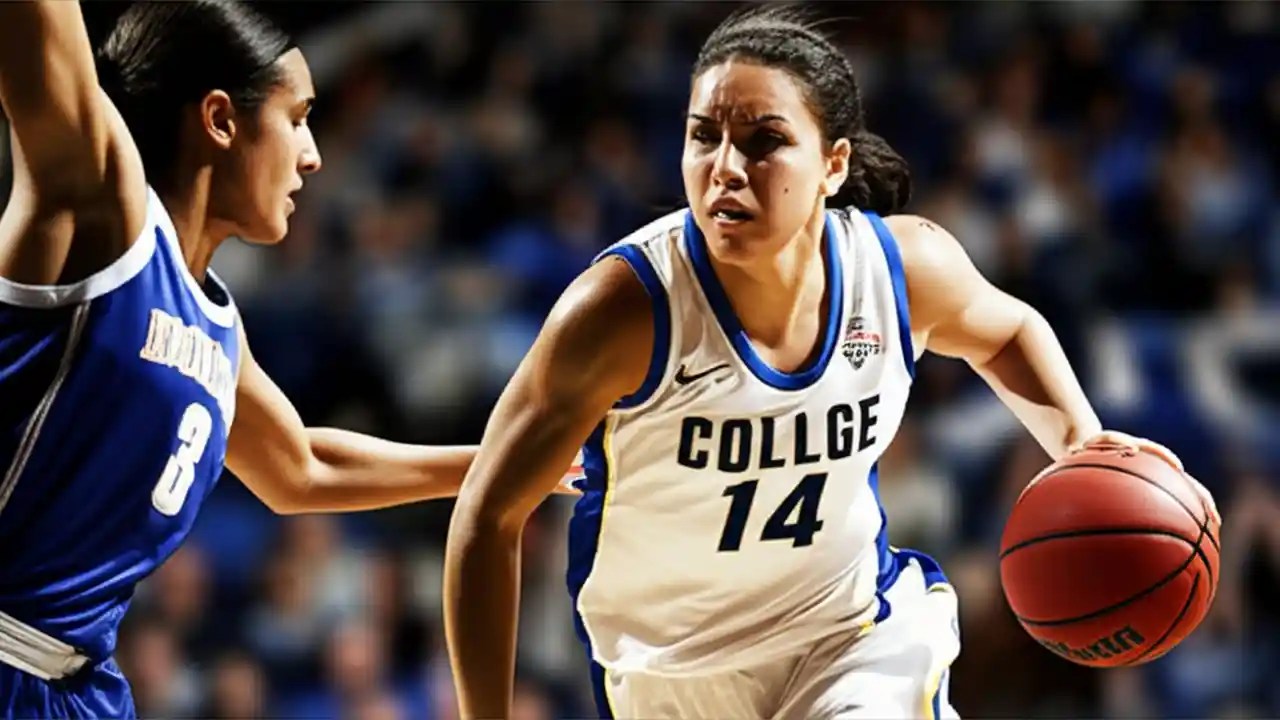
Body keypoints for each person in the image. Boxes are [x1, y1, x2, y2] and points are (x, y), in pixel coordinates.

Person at [443, 5, 1218, 719]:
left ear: (834, 165)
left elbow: (1007, 330)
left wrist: (1081, 442)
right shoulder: (623, 309)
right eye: (703, 135)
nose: (725, 166)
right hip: (669, 675)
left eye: (764, 141)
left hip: (849, 635)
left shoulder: (901, 270)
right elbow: (487, 516)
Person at [0, 2, 573, 716]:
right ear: (220, 119)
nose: (313, 154)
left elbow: (302, 466)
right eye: (296, 117)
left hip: (78, 686)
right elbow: (42, 37)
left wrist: (513, 464)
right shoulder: (101, 206)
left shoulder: (216, 327)